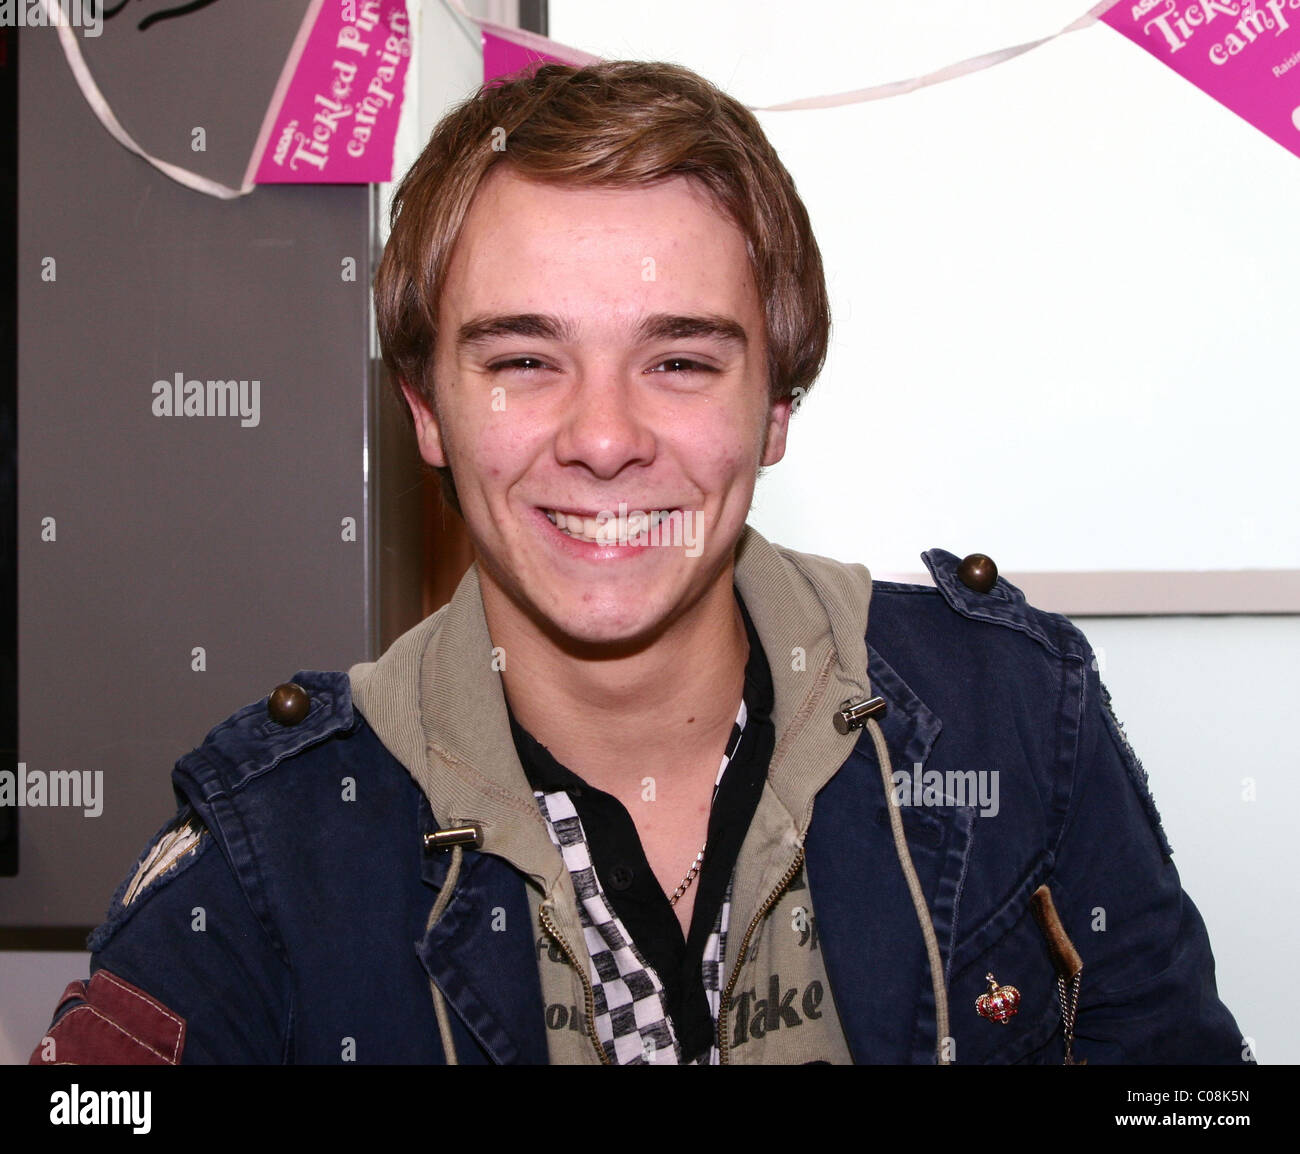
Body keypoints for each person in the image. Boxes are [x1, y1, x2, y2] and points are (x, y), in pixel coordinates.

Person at [31, 59, 1241, 1065]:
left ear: (776, 405)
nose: (603, 438)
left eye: (680, 361)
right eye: (521, 360)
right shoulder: (274, 849)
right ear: (426, 413)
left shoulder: (1013, 719)